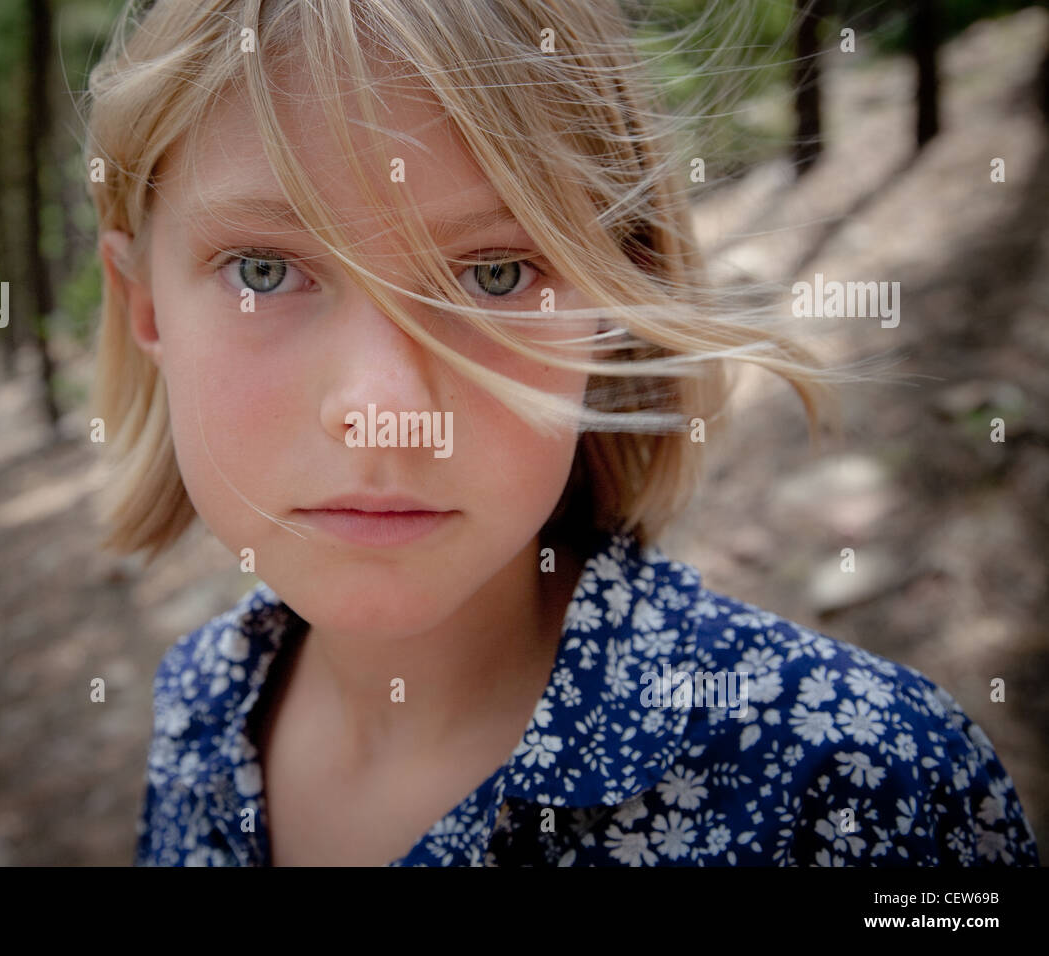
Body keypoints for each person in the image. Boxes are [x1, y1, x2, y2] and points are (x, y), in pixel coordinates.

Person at [82, 0, 1039, 866]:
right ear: (145, 305)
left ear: (610, 308)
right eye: (262, 270)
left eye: (493, 275)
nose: (384, 409)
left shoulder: (860, 790)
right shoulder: (197, 707)